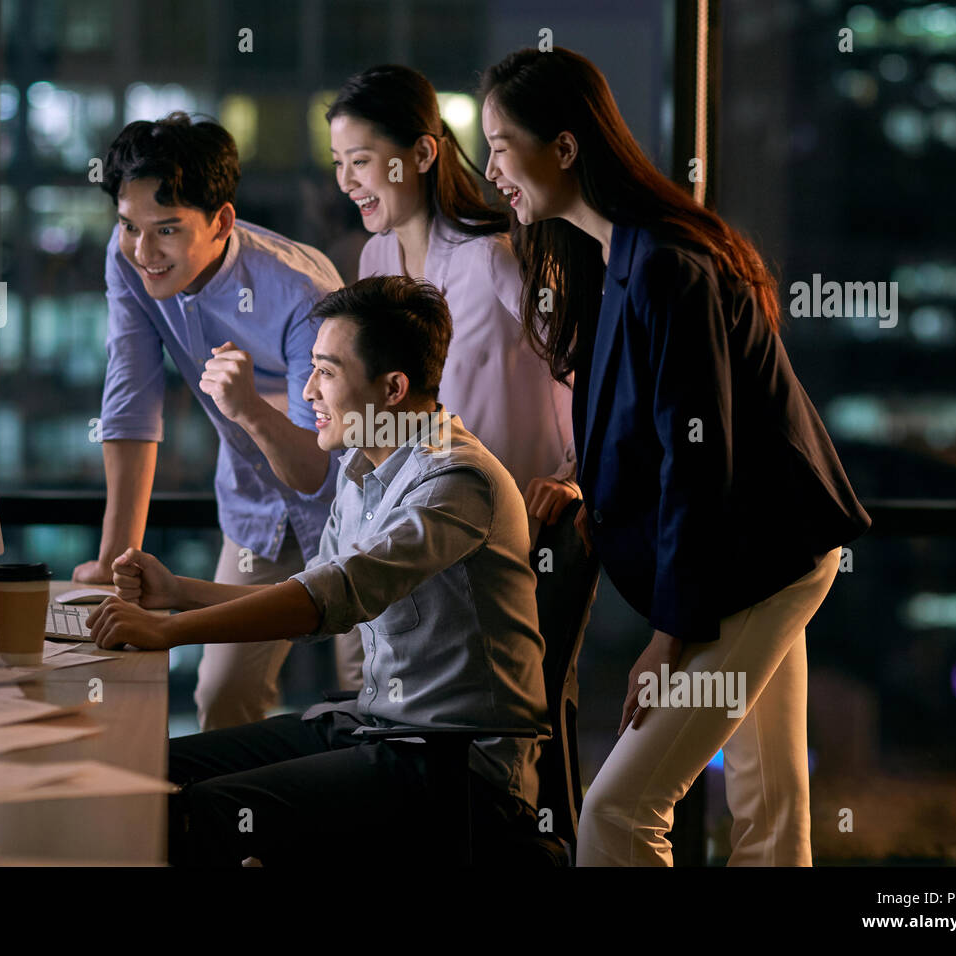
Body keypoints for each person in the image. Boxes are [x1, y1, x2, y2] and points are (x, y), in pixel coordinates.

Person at [480, 47, 872, 866]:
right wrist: (588, 484)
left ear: (565, 145)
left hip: (761, 561)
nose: (490, 171)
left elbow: (702, 462)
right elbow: (654, 431)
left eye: (500, 145)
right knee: (769, 815)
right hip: (745, 560)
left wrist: (669, 639)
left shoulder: (664, 264)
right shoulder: (613, 257)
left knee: (618, 813)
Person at [86, 276, 549, 865]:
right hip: (376, 726)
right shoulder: (361, 468)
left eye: (326, 372)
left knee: (199, 810)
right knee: (153, 770)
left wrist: (170, 631)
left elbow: (332, 596)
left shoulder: (456, 481)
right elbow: (308, 591)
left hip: (454, 766)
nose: (307, 391)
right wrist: (177, 592)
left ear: (393, 388)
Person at [76, 111, 362, 730]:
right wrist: (113, 561)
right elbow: (131, 396)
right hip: (257, 513)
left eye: (167, 230)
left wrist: (249, 410)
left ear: (221, 221)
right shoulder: (129, 260)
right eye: (129, 226)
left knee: (368, 699)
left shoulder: (299, 291)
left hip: (354, 513)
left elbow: (316, 471)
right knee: (222, 697)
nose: (144, 250)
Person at [326, 64, 579, 539]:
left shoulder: (494, 256)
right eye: (338, 163)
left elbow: (587, 361)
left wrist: (574, 479)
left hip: (525, 522)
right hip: (423, 522)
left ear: (421, 153)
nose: (345, 181)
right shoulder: (375, 257)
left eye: (359, 161)